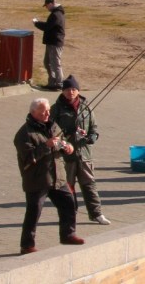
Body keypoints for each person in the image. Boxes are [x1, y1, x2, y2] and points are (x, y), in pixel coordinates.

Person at [15, 97, 83, 254]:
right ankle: (27, 245)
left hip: (57, 176)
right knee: (34, 212)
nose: (47, 114)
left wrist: (68, 146)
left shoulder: (53, 125)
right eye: (43, 112)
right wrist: (47, 145)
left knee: (68, 203)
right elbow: (29, 157)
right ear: (33, 113)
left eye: (48, 111)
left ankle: (68, 234)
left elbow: (61, 141)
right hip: (37, 179)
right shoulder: (24, 133)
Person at [52, 76, 109, 226]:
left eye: (74, 89)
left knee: (89, 185)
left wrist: (91, 137)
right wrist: (66, 134)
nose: (71, 92)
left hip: (85, 155)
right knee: (67, 188)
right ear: (63, 91)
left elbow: (94, 128)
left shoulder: (86, 107)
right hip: (66, 156)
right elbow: (51, 131)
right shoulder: (56, 109)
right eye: (67, 89)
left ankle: (96, 214)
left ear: (78, 91)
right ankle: (70, 215)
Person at [33, 0, 66, 90]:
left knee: (55, 63)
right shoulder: (57, 13)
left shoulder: (56, 14)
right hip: (52, 42)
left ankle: (59, 84)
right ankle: (52, 82)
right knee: (48, 62)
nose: (46, 8)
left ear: (51, 4)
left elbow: (47, 27)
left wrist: (37, 23)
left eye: (47, 5)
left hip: (55, 43)